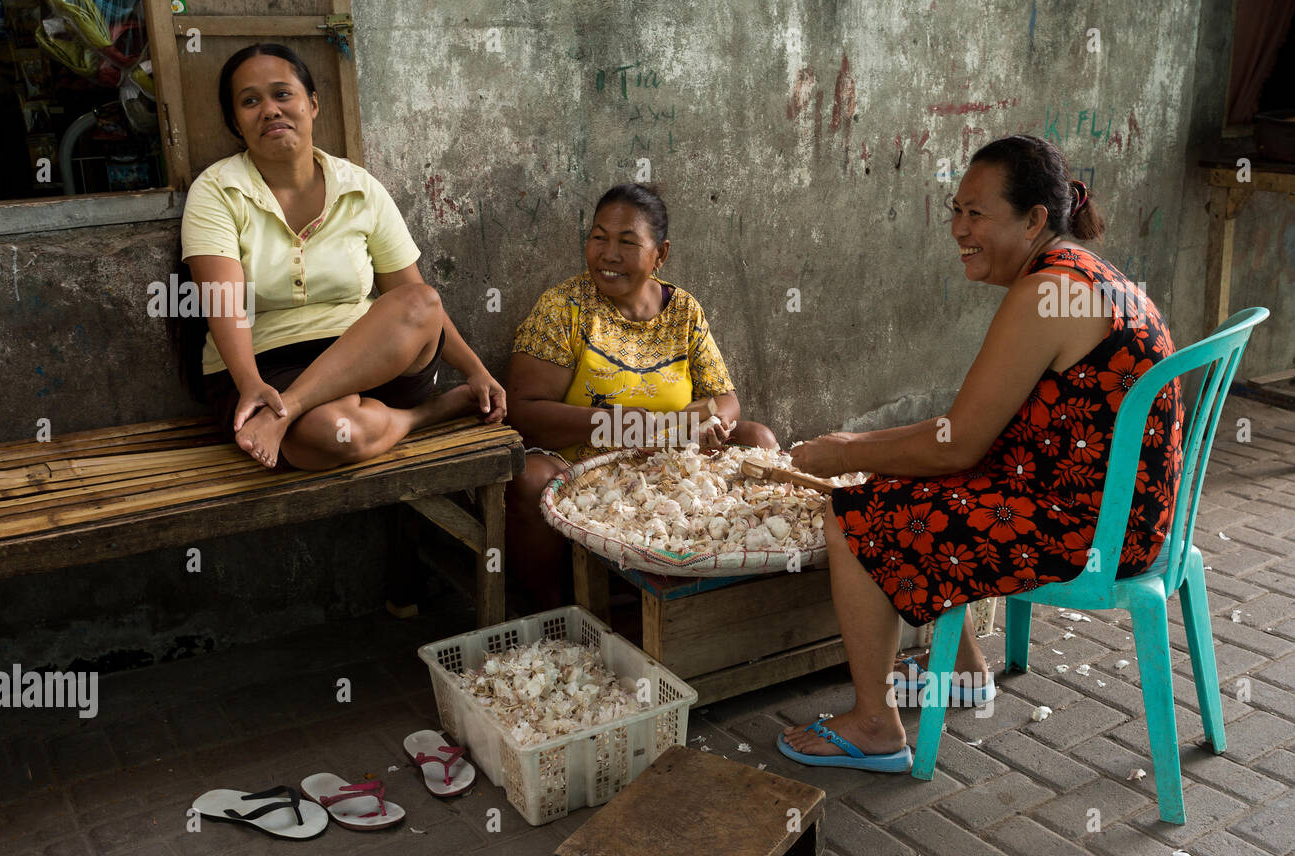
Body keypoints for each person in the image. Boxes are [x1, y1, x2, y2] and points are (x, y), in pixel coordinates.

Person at [779, 134, 1184, 770]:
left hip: (1094, 533)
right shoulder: (1087, 271)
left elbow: (958, 444)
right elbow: (976, 436)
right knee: (923, 484)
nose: (960, 230)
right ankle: (964, 673)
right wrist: (877, 449)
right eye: (956, 210)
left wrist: (846, 451)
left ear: (1034, 221)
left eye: (978, 215)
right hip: (1137, 514)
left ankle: (874, 724)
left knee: (855, 514)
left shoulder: (1044, 295)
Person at [179, 43, 505, 471]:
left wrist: (476, 369)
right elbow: (223, 303)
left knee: (421, 299)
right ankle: (424, 415)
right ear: (236, 123)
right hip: (266, 367)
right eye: (250, 101)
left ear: (312, 104)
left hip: (371, 361)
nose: (270, 110)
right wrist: (250, 386)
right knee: (337, 433)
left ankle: (289, 411)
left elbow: (417, 304)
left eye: (282, 94)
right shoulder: (218, 190)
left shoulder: (360, 186)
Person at [505, 184, 777, 608]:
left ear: (661, 254)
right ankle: (550, 615)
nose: (608, 254)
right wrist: (621, 425)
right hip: (584, 465)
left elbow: (723, 397)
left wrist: (712, 422)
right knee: (528, 479)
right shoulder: (564, 309)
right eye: (599, 238)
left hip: (672, 464)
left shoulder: (683, 310)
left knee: (758, 438)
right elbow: (523, 412)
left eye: (627, 243)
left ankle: (741, 605)